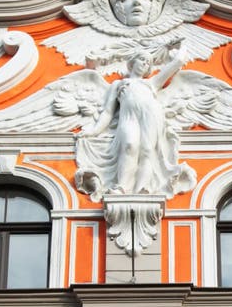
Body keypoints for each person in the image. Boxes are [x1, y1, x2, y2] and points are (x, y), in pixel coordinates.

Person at [77, 43, 194, 197]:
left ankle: (142, 188)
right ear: (132, 62)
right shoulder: (119, 84)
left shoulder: (151, 83)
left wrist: (181, 45)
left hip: (151, 116)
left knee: (147, 150)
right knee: (129, 145)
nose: (144, 64)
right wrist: (95, 131)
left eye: (148, 63)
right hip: (129, 117)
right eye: (142, 60)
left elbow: (177, 62)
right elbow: (108, 111)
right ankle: (122, 187)